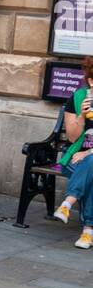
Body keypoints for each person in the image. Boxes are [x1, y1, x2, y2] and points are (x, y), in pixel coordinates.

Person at [54, 57, 93, 250]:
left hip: (85, 158)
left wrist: (88, 153)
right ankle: (88, 231)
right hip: (75, 159)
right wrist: (81, 116)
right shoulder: (78, 98)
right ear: (91, 81)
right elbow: (71, 138)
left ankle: (68, 203)